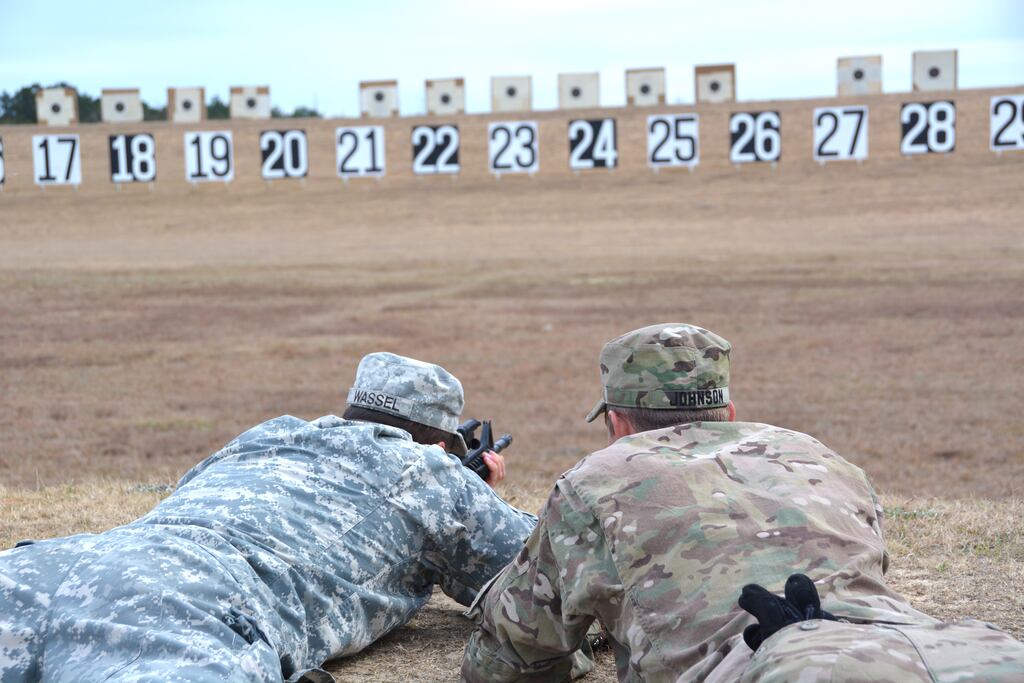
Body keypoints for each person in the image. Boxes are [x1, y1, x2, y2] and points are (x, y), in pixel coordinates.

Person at [461, 323, 1024, 682]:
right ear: (727, 413)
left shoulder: (595, 480)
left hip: (782, 666)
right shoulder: (818, 455)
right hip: (962, 648)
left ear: (617, 421)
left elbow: (516, 654)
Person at [0, 352, 536, 683]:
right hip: (192, 600)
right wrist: (470, 487)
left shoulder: (273, 431)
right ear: (441, 441)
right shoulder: (427, 471)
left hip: (62, 561)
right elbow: (555, 569)